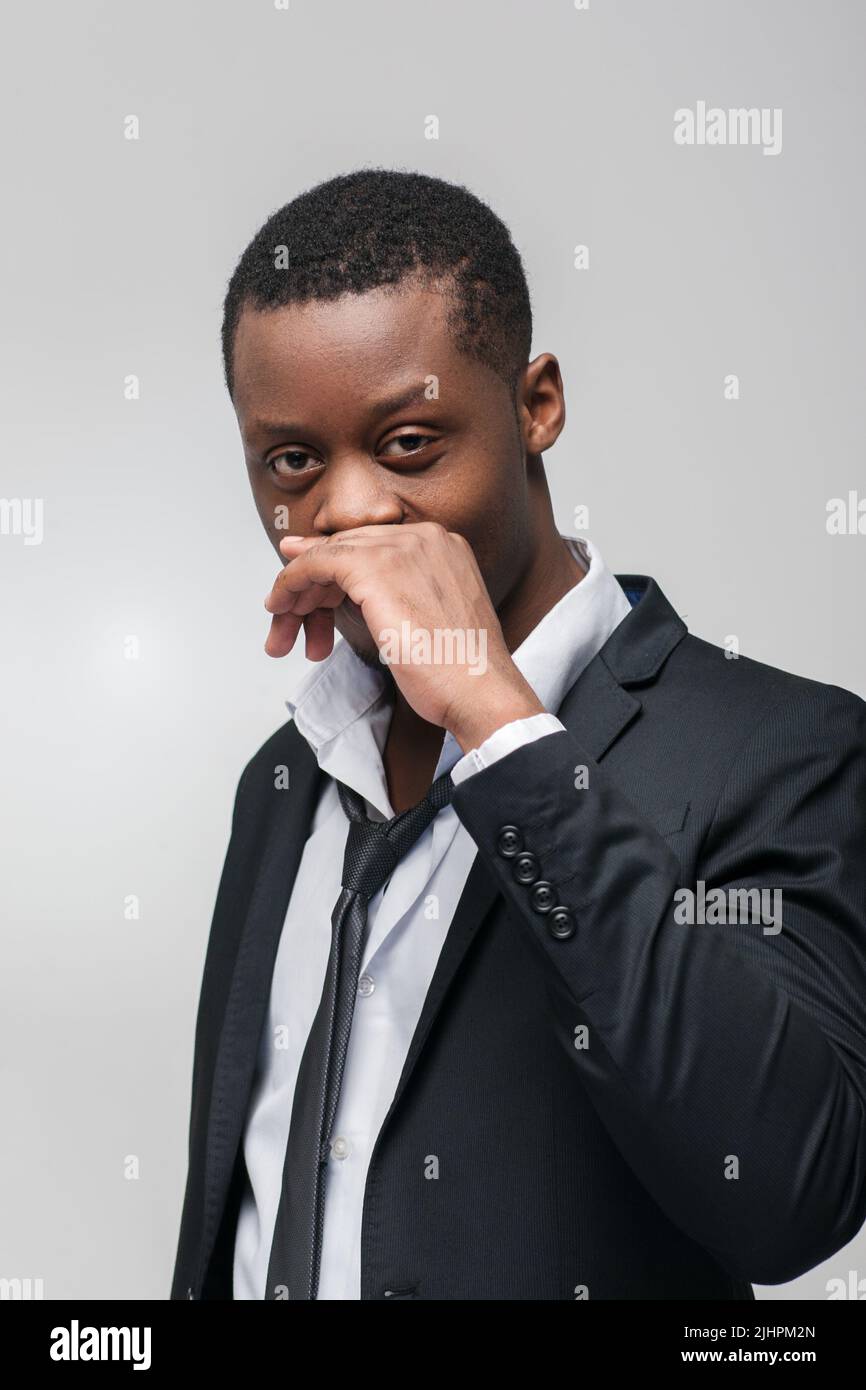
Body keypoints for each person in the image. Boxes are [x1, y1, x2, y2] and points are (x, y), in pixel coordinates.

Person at [171, 168, 866, 1300]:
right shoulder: (286, 778)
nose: (346, 511)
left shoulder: (779, 750)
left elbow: (792, 1195)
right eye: (293, 462)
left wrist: (503, 728)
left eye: (406, 442)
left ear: (533, 403)